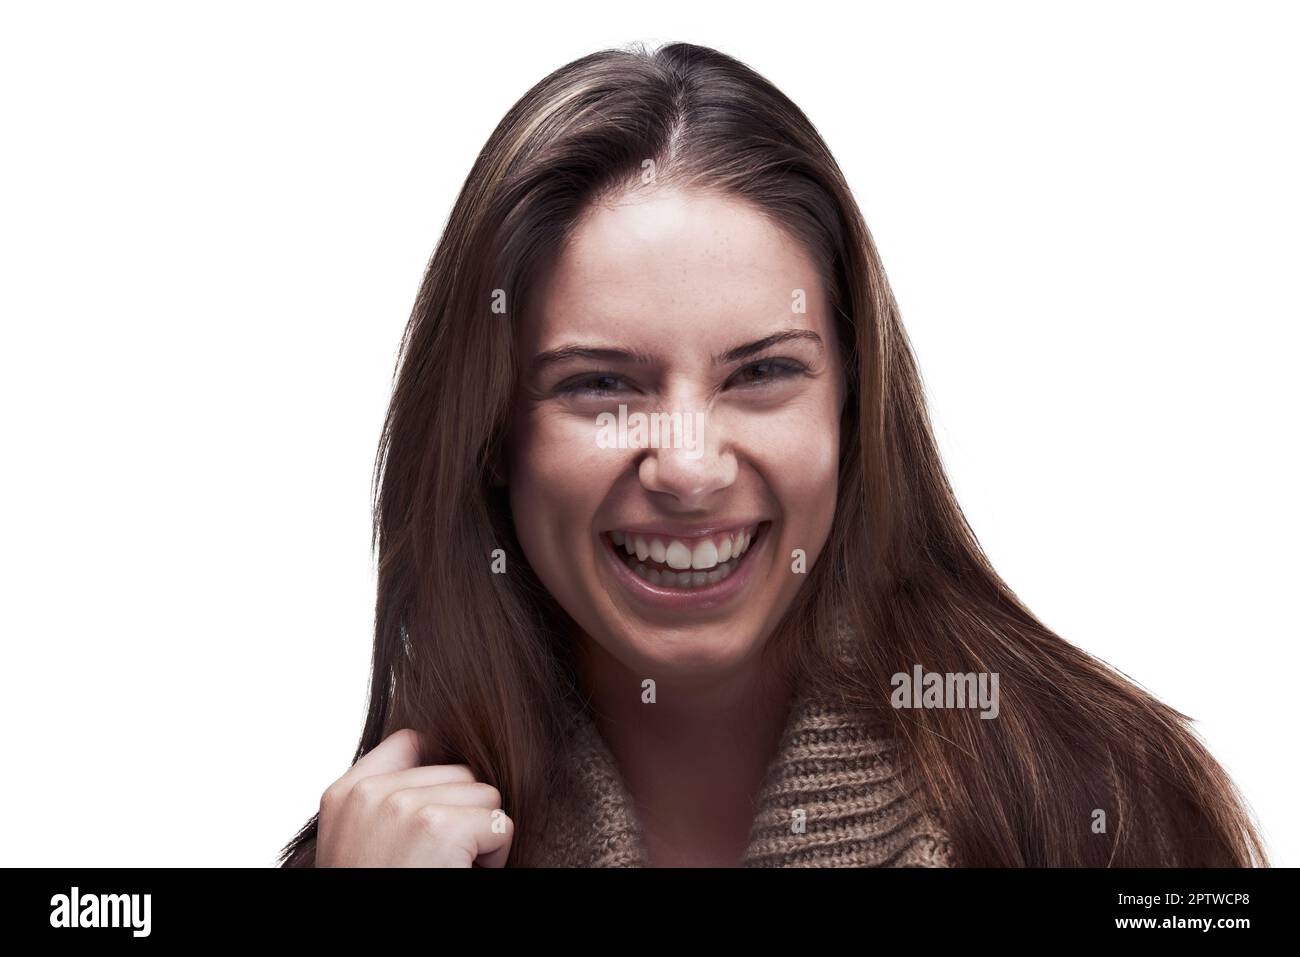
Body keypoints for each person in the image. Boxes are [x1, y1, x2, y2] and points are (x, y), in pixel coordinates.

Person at [280, 41, 1268, 868]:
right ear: (492, 433)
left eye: (759, 374)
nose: (690, 467)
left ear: (852, 402)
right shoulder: (371, 850)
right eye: (599, 385)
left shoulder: (1101, 802)